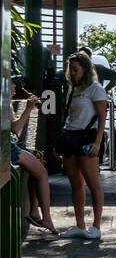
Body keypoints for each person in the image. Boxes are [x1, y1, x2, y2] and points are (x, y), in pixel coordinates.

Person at [55, 52, 108, 240]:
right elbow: (70, 117)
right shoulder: (73, 90)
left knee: (93, 184)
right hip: (70, 137)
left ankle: (96, 227)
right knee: (75, 184)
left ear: (85, 69)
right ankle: (80, 225)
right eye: (71, 70)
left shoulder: (96, 89)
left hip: (88, 138)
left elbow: (102, 118)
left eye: (76, 70)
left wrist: (97, 143)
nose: (73, 73)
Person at [10, 85, 57, 234]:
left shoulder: (6, 102)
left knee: (37, 159)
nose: (15, 87)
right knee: (42, 173)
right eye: (12, 83)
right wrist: (29, 108)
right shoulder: (4, 102)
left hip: (9, 144)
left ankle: (34, 211)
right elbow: (16, 129)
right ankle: (47, 219)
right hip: (7, 147)